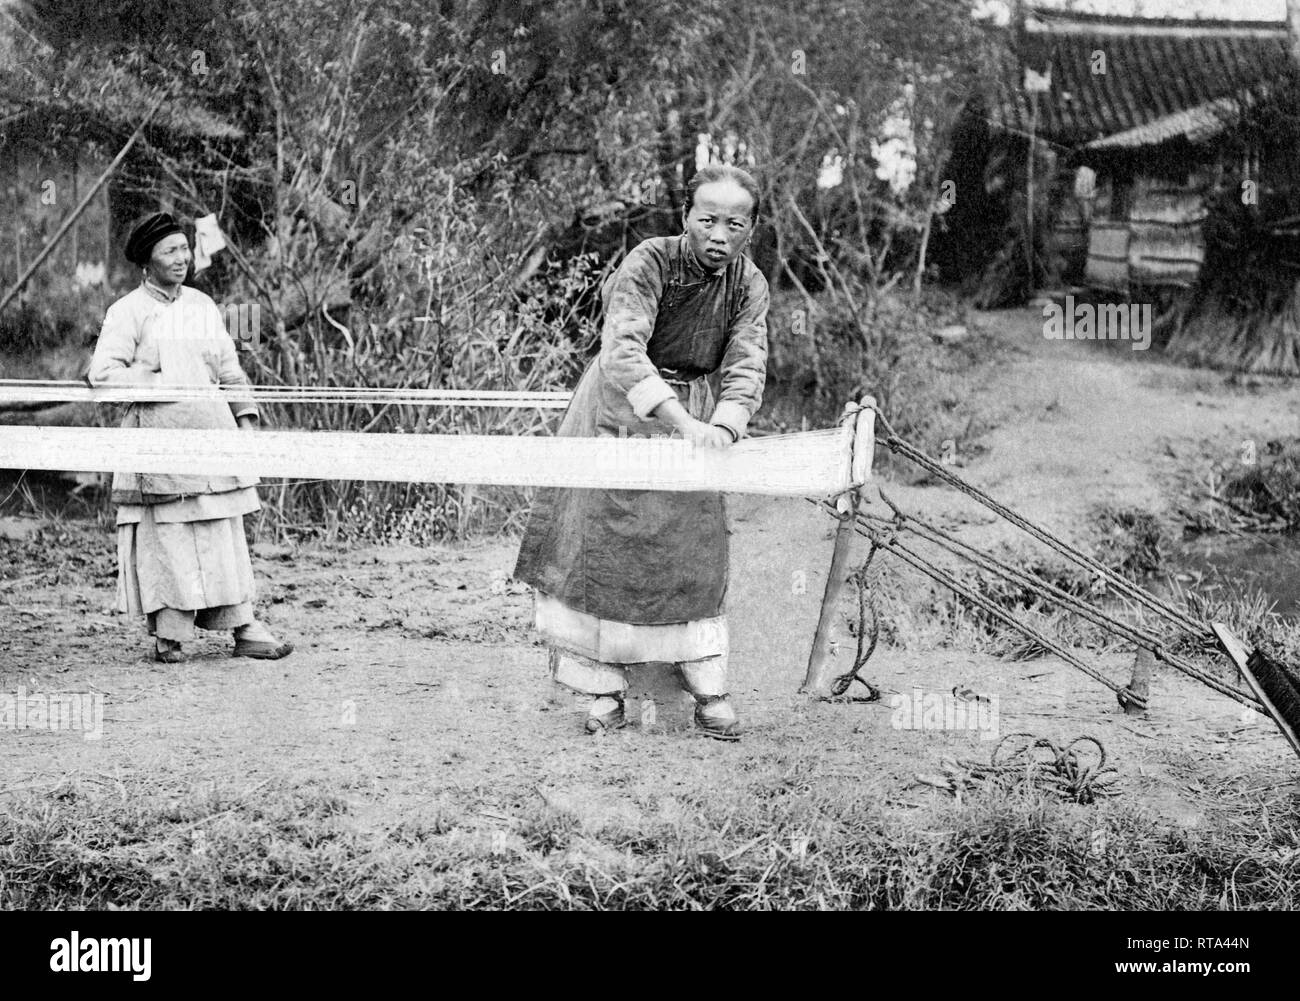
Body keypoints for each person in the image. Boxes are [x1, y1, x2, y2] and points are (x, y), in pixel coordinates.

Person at [514, 164, 769, 740]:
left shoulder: (750, 285)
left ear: (749, 229)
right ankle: (601, 689)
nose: (720, 235)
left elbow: (748, 362)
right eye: (708, 220)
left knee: (692, 545)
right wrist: (680, 422)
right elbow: (623, 349)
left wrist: (724, 427)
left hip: (695, 414)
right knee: (602, 546)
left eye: (735, 223)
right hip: (615, 406)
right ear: (686, 217)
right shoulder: (648, 261)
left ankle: (708, 689)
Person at [87, 211, 293, 664]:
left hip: (212, 437)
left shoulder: (202, 306)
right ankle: (171, 634)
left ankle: (245, 626)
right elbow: (102, 376)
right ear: (146, 261)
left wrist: (245, 418)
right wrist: (152, 379)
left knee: (222, 533)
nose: (181, 259)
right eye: (170, 251)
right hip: (159, 445)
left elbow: (228, 368)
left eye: (184, 249)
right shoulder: (127, 312)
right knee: (170, 541)